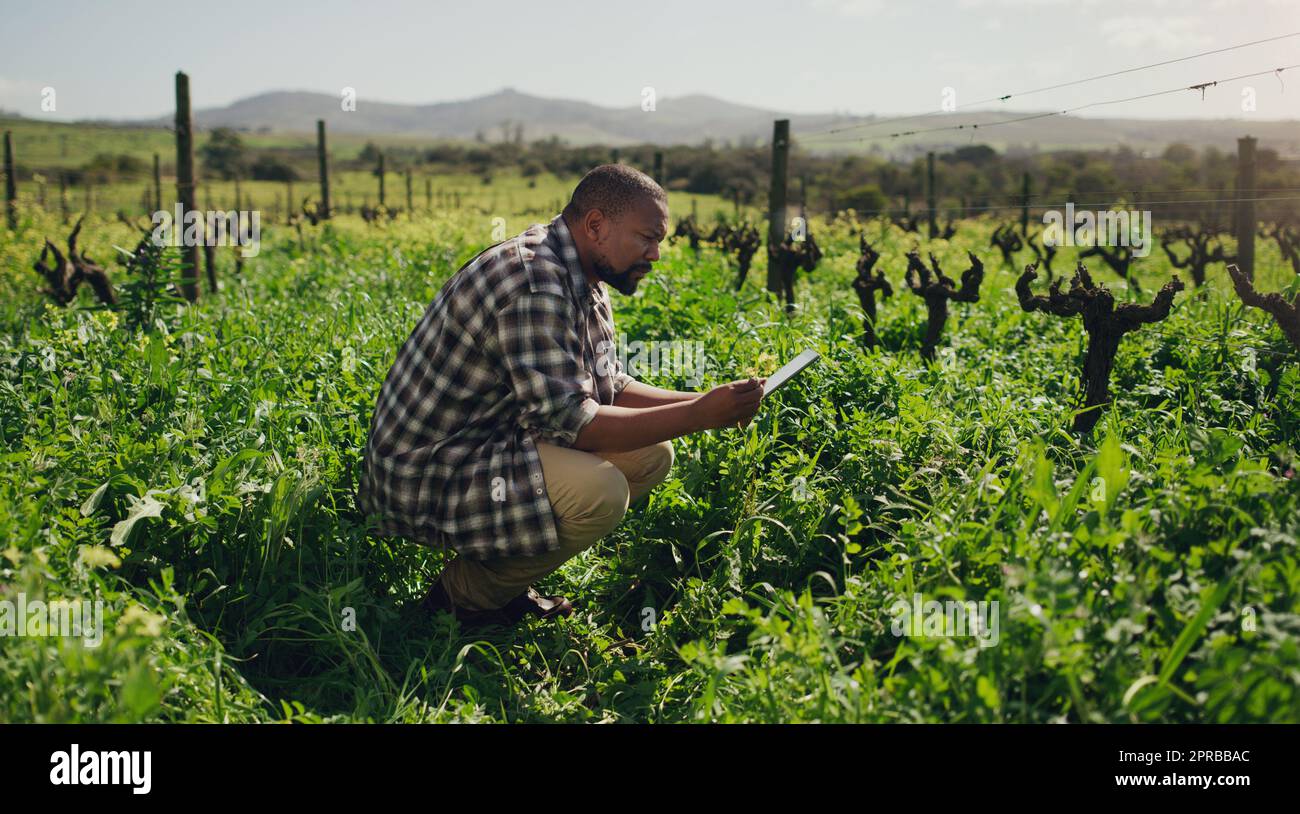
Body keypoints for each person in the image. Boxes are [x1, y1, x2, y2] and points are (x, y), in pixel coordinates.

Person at [356, 164, 765, 628]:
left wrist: (705, 401)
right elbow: (576, 422)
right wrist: (699, 415)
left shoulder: (583, 272)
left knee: (649, 455)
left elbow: (609, 382)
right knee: (601, 492)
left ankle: (500, 579)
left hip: (487, 443)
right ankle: (462, 598)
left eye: (660, 242)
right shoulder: (536, 283)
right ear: (595, 225)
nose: (655, 254)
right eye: (647, 238)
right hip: (428, 471)